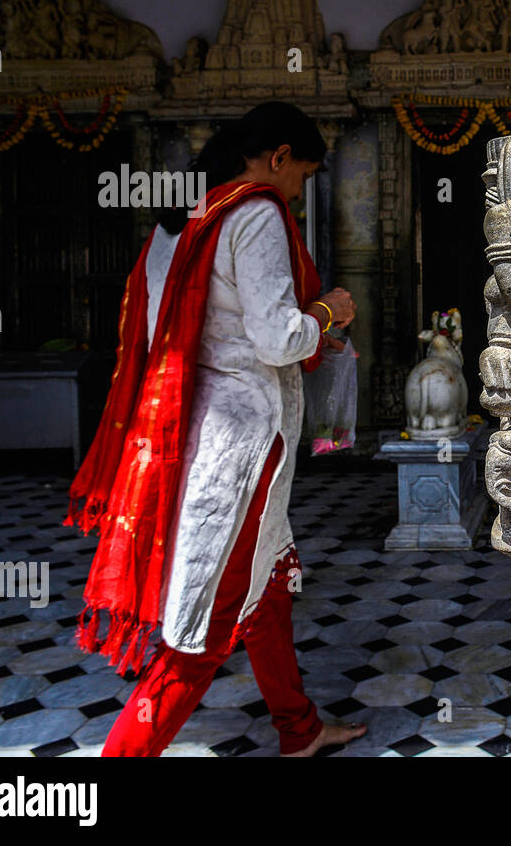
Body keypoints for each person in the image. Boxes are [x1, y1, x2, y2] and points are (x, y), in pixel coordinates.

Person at [66, 101, 368, 756]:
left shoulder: (179, 222)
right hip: (240, 454)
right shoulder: (255, 213)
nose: (295, 193)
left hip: (185, 440)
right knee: (199, 635)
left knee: (270, 592)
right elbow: (277, 334)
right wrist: (328, 310)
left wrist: (304, 331)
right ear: (280, 156)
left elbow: (178, 335)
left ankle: (299, 728)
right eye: (301, 177)